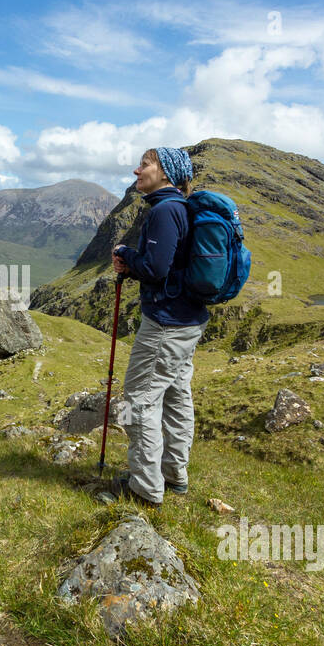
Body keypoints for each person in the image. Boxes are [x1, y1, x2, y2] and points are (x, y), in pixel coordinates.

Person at [110, 146, 208, 507]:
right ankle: (173, 476)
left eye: (145, 164)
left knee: (139, 401)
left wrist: (125, 253)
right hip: (187, 321)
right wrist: (135, 260)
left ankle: (146, 489)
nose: (137, 171)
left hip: (165, 324)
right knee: (177, 395)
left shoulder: (165, 212)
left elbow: (155, 269)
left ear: (165, 173)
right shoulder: (179, 209)